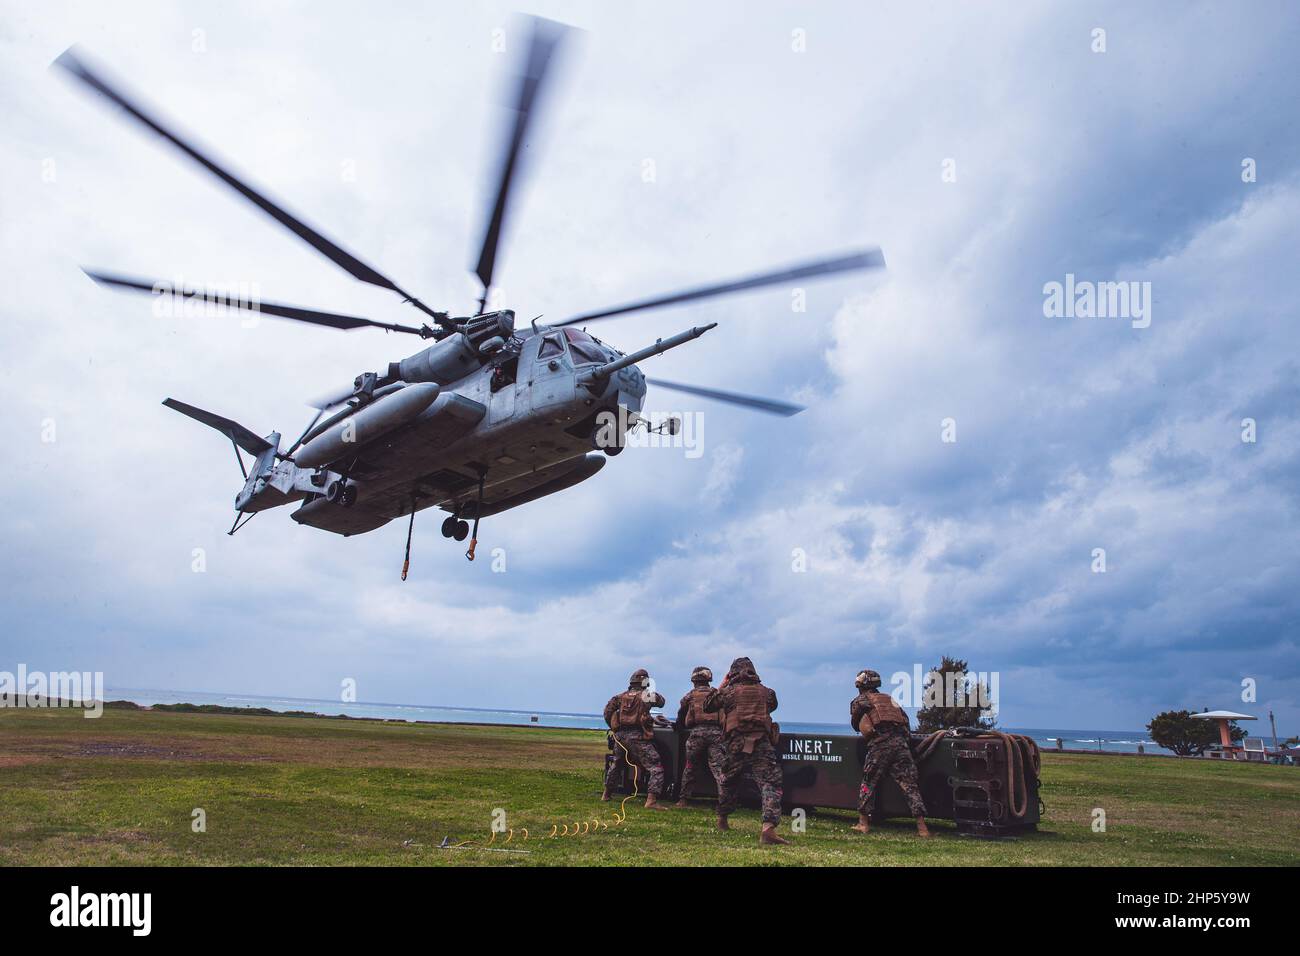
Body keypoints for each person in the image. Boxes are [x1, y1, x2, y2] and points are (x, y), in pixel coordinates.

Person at [704, 657, 789, 845]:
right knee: (770, 783)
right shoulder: (768, 693)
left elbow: (708, 706)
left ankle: (722, 819)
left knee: (729, 782)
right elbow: (772, 706)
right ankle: (768, 829)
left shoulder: (728, 693)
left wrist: (723, 684)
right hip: (761, 742)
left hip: (735, 743)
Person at [850, 669, 929, 837]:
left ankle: (863, 823)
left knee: (868, 782)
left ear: (859, 684)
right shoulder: (890, 699)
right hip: (901, 745)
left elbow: (856, 725)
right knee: (909, 785)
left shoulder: (861, 700)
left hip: (879, 746)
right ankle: (923, 828)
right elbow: (906, 724)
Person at [602, 668, 668, 809]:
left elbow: (607, 712)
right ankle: (651, 801)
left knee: (617, 764)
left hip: (620, 737)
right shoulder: (647, 695)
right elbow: (662, 702)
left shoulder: (620, 697)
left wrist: (615, 727)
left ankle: (606, 794)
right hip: (638, 736)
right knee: (656, 767)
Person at [674, 666, 726, 807]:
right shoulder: (716, 694)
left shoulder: (690, 695)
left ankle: (683, 799)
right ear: (709, 679)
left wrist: (678, 726)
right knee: (719, 769)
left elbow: (681, 713)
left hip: (697, 734)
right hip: (716, 734)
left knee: (690, 766)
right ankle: (724, 801)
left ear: (693, 680)